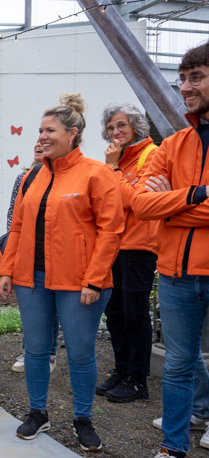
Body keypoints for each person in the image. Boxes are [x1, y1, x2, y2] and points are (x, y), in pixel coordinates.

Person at [0, 93, 123, 452]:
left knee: (81, 354)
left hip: (79, 283)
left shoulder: (97, 173)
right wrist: (7, 269)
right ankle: (38, 412)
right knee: (36, 350)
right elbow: (17, 227)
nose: (42, 136)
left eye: (49, 130)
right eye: (40, 130)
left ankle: (83, 419)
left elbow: (111, 231)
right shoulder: (31, 177)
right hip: (32, 281)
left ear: (72, 133)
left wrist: (95, 279)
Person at [132, 41, 209, 458]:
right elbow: (141, 204)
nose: (185, 87)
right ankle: (175, 454)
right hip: (177, 275)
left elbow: (158, 205)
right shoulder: (174, 144)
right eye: (182, 79)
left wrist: (172, 204)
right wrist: (198, 195)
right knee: (179, 365)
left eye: (196, 77)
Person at [94, 103, 159, 403]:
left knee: (135, 313)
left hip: (139, 245)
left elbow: (134, 201)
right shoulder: (119, 159)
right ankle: (122, 369)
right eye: (110, 127)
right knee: (115, 311)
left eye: (121, 125)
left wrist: (112, 168)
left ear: (136, 126)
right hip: (114, 244)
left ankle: (137, 379)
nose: (115, 131)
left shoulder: (151, 155)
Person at [9, 143, 59, 374]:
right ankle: (29, 351)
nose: (41, 144)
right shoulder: (25, 177)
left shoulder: (66, 176)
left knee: (51, 310)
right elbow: (14, 216)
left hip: (56, 255)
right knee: (33, 312)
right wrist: (12, 251)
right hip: (28, 254)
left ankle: (49, 353)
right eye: (37, 144)